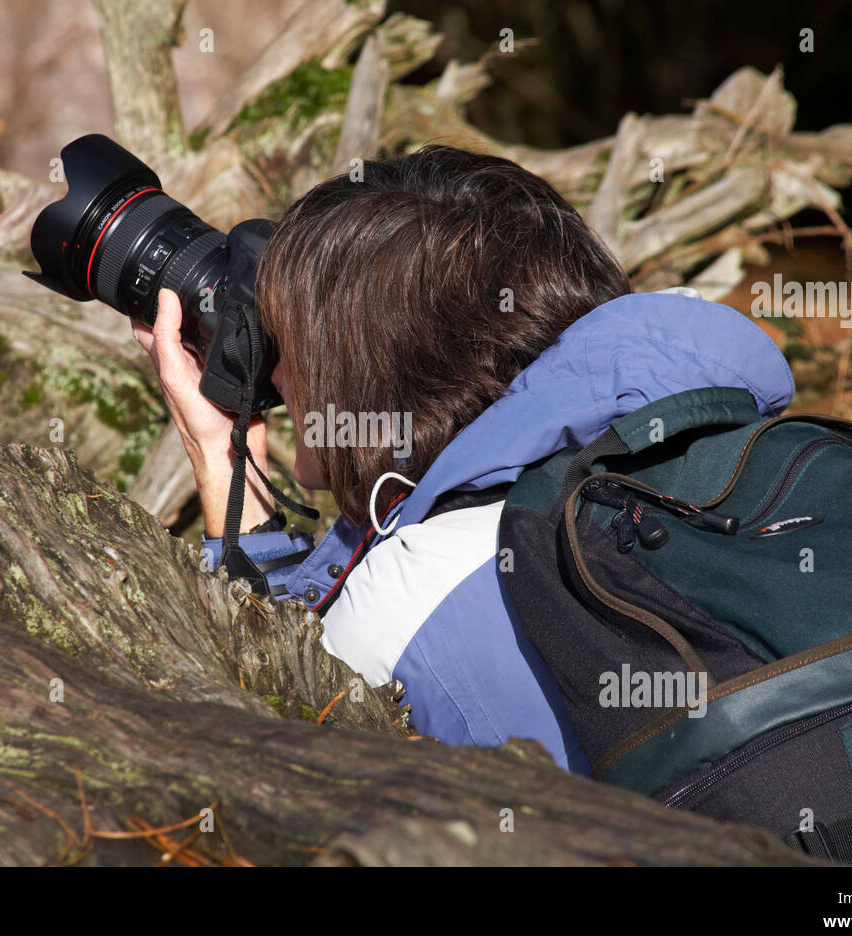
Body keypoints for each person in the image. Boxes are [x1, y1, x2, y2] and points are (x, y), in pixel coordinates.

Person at [132, 146, 794, 774]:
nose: (277, 371)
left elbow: (258, 750)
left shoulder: (398, 616)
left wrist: (216, 457)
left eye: (300, 339)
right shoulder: (709, 448)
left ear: (372, 377)